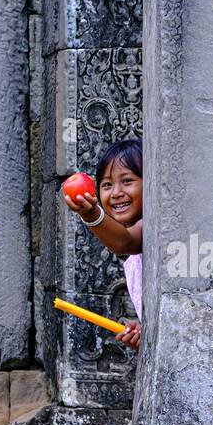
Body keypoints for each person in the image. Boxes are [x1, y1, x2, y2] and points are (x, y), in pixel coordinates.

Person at [63, 137, 143, 350]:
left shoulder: (153, 227)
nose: (116, 193)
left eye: (127, 181)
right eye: (107, 185)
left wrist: (91, 214)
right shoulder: (137, 253)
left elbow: (125, 242)